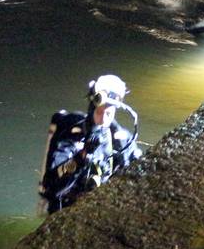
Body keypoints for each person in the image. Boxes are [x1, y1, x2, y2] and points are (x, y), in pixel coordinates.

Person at [39, 74, 142, 212]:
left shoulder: (122, 140)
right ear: (92, 105)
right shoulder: (70, 133)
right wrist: (82, 156)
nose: (104, 114)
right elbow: (50, 186)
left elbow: (137, 178)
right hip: (65, 206)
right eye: (101, 110)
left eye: (109, 110)